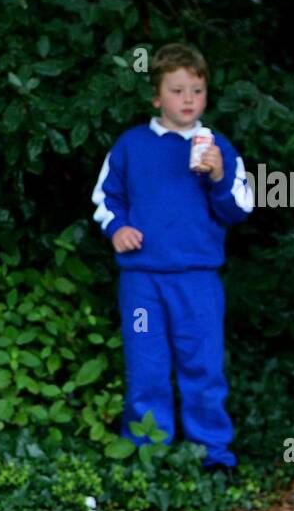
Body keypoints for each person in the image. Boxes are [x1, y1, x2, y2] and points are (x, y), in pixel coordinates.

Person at [90, 42, 253, 473]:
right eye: (177, 90)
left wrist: (218, 175)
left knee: (203, 366)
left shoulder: (217, 147)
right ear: (156, 96)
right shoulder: (132, 145)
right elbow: (106, 196)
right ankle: (148, 451)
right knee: (147, 367)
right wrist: (117, 228)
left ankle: (212, 453)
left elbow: (240, 208)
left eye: (196, 91)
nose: (187, 100)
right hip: (143, 279)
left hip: (198, 279)